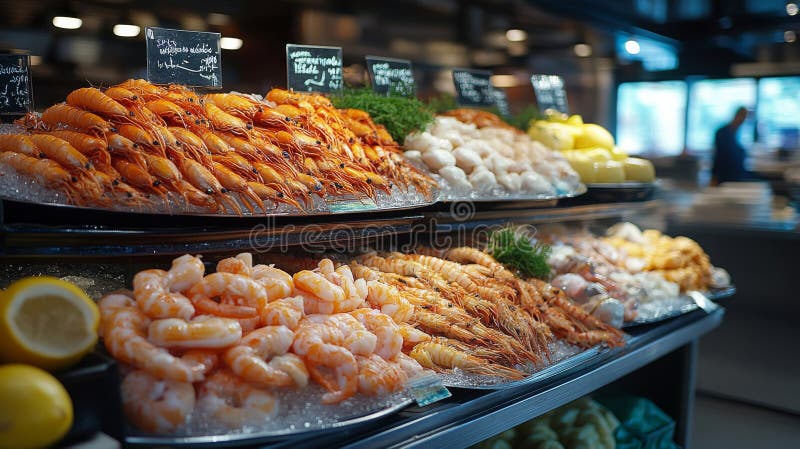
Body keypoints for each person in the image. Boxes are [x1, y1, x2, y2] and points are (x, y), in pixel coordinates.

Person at [711, 106, 749, 184]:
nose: (743, 120)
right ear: (736, 115)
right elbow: (719, 157)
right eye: (742, 116)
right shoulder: (723, 133)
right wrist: (714, 177)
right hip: (728, 176)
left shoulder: (735, 132)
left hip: (737, 173)